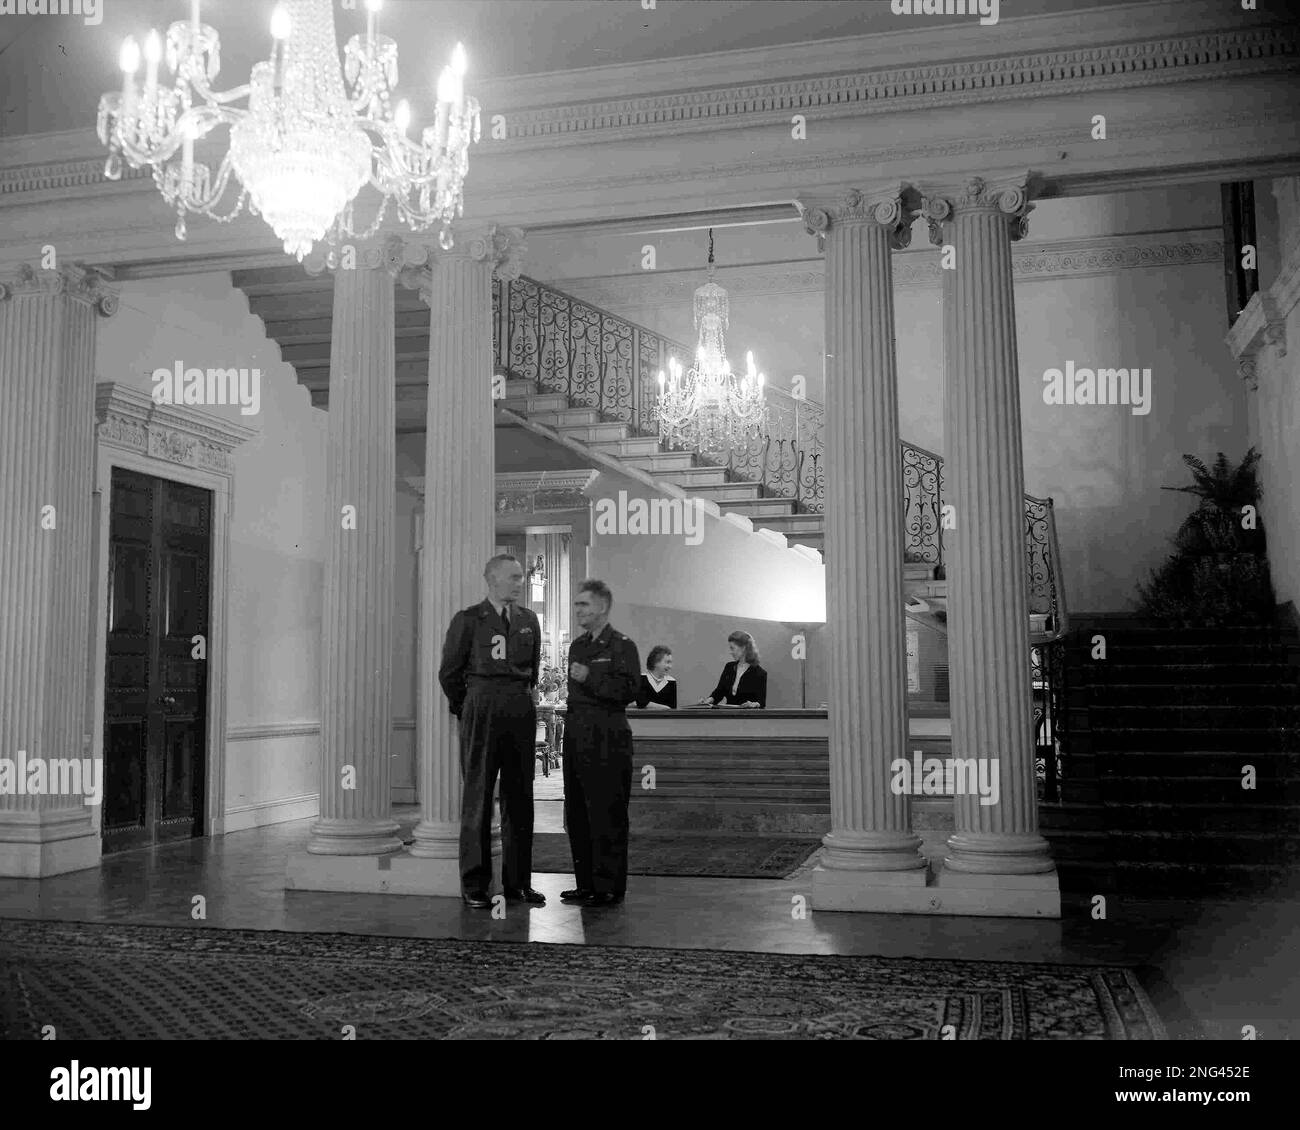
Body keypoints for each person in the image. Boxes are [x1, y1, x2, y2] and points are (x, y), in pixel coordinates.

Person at [438, 554, 546, 909]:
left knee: (520, 798)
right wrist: (468, 710)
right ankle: (474, 884)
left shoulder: (529, 620)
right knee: (478, 798)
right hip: (481, 707)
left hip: (519, 708)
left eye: (520, 578)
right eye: (513, 577)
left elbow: (532, 669)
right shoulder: (468, 620)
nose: (520, 583)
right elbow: (450, 674)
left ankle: (518, 883)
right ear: (492, 580)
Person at [562, 579, 641, 907]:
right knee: (578, 812)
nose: (578, 610)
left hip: (608, 738)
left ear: (603, 607)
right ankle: (586, 884)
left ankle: (608, 886)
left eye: (584, 604)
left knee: (607, 812)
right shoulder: (577, 646)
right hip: (577, 735)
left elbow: (629, 692)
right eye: (577, 604)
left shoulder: (622, 646)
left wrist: (590, 678)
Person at [698, 630, 767, 709]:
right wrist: (708, 700)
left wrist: (754, 704)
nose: (730, 652)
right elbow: (719, 691)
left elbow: (761, 702)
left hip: (747, 717)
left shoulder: (760, 673)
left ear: (744, 648)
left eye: (732, 648)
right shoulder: (729, 667)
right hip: (728, 715)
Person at [635, 646, 677, 710]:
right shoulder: (642, 679)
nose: (670, 666)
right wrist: (664, 707)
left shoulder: (671, 682)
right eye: (667, 662)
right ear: (655, 662)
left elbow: (672, 708)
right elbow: (641, 702)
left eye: (671, 663)